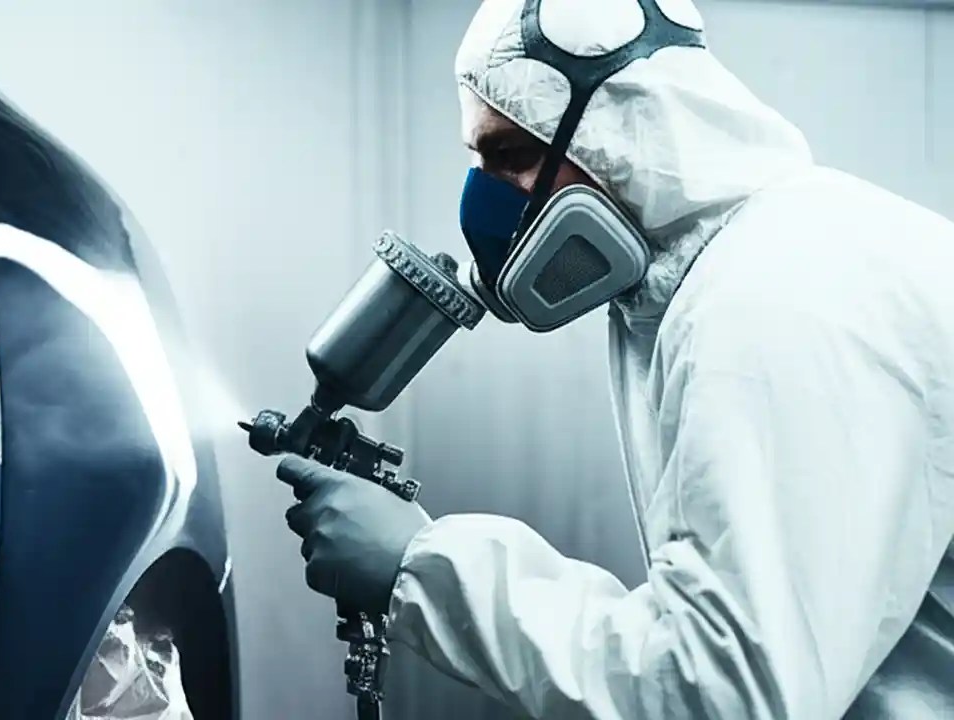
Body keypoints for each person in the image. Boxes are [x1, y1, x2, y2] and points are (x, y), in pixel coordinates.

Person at [276, 0, 954, 717]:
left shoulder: (776, 304)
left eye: (510, 156)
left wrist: (427, 570)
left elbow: (720, 696)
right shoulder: (717, 272)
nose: (485, 199)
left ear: (616, 134)